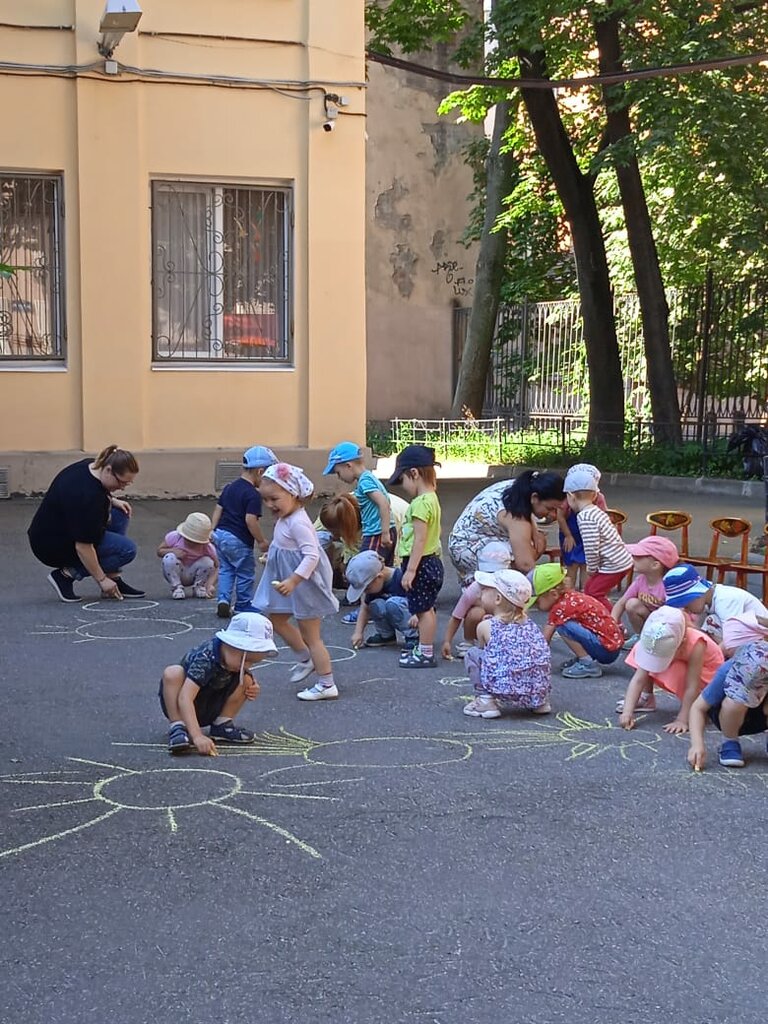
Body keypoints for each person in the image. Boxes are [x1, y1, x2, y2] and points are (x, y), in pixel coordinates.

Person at [252, 462, 340, 700]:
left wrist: (293, 580)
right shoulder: (286, 519)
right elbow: (284, 547)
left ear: (293, 494)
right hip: (290, 583)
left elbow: (311, 555)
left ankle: (326, 683)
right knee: (277, 620)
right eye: (266, 500)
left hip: (304, 586)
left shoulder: (298, 522)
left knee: (312, 637)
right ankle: (305, 658)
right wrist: (271, 557)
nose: (269, 505)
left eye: (274, 499)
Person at [28, 444, 144, 603]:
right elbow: (83, 547)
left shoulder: (92, 466)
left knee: (119, 514)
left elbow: (99, 495)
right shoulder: (88, 498)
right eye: (121, 482)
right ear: (109, 470)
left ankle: (114, 579)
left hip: (56, 528)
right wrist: (101, 580)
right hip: (51, 545)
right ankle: (65, 576)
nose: (122, 488)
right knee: (126, 550)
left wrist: (113, 500)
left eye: (127, 484)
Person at [159, 611, 277, 755]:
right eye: (245, 660)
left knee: (246, 678)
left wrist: (253, 686)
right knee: (173, 673)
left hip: (212, 701)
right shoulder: (205, 658)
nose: (247, 665)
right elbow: (185, 697)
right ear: (231, 644)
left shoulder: (233, 659)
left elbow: (244, 673)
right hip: (184, 705)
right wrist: (197, 736)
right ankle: (178, 726)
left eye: (253, 662)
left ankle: (221, 724)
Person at [619, 605, 724, 733]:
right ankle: (646, 698)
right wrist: (627, 712)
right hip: (687, 667)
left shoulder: (697, 643)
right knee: (639, 651)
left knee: (677, 671)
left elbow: (692, 685)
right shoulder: (656, 639)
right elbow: (638, 679)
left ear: (681, 643)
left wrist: (682, 720)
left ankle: (700, 709)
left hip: (709, 681)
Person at [323, 441, 396, 624]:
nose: (338, 477)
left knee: (365, 570)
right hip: (379, 531)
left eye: (338, 472)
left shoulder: (365, 482)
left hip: (376, 533)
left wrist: (385, 532)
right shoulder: (368, 479)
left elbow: (383, 503)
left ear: (348, 465)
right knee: (379, 572)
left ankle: (366, 610)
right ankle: (380, 608)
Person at [447, 470, 565, 584]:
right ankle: (490, 585)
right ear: (534, 498)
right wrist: (549, 583)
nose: (554, 515)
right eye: (550, 509)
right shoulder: (516, 517)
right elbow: (525, 564)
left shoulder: (522, 487)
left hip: (465, 537)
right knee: (511, 552)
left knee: (536, 541)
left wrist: (536, 535)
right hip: (467, 547)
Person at [463, 569, 551, 719]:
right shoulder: (531, 625)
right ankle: (540, 702)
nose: (480, 594)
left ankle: (486, 701)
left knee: (472, 654)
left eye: (485, 590)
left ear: (497, 598)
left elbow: (488, 654)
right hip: (535, 689)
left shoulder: (485, 626)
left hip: (503, 687)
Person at [387, 444, 444, 668]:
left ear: (414, 473)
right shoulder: (432, 499)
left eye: (403, 480)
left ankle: (426, 652)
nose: (403, 487)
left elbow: (420, 539)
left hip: (422, 563)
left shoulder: (420, 503)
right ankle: (423, 648)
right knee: (424, 608)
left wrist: (410, 570)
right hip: (430, 561)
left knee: (423, 611)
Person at [688, 613, 768, 769]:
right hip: (731, 715)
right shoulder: (728, 670)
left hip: (760, 711)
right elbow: (697, 708)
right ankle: (729, 741)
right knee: (734, 702)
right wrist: (696, 745)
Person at [211, 445, 277, 619]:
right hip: (239, 539)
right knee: (245, 572)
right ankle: (243, 604)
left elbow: (219, 508)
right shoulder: (253, 495)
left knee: (226, 569)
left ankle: (223, 600)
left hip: (221, 535)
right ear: (260, 472)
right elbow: (250, 520)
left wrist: (212, 530)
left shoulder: (230, 487)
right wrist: (262, 541)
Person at [527, 563, 624, 678]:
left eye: (538, 602)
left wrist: (531, 662)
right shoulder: (571, 597)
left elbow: (544, 640)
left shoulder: (560, 608)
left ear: (553, 594)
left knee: (563, 626)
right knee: (568, 624)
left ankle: (587, 663)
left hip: (606, 650)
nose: (537, 607)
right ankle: (584, 657)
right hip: (610, 645)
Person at [563, 464, 633, 610]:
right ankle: (597, 619)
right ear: (595, 495)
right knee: (590, 589)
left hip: (613, 564)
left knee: (594, 592)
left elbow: (591, 546)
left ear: (570, 496)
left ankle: (614, 623)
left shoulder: (585, 517)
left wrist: (592, 568)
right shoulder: (596, 511)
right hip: (619, 561)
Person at [662, 562, 768, 644]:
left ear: (697, 594)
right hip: (742, 635)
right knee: (710, 623)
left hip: (760, 638)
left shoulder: (725, 600)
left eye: (686, 604)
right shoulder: (708, 600)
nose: (686, 609)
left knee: (710, 623)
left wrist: (713, 660)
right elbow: (700, 633)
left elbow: (730, 640)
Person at [441, 540, 513, 659]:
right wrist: (447, 641)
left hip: (503, 620)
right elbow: (457, 616)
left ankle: (505, 643)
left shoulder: (509, 586)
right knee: (475, 613)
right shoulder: (475, 588)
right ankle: (470, 642)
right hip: (483, 620)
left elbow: (520, 612)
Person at [611, 535, 679, 648]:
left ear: (655, 565)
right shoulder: (641, 580)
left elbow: (678, 614)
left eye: (638, 556)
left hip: (666, 624)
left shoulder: (668, 584)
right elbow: (621, 603)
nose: (633, 558)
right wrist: (612, 624)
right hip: (651, 618)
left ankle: (661, 642)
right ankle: (641, 636)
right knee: (631, 603)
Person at [346, 550, 419, 651]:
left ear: (379, 577)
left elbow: (423, 600)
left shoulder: (401, 578)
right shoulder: (374, 587)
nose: (366, 592)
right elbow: (365, 608)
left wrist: (418, 615)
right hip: (398, 609)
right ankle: (387, 635)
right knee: (375, 604)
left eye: (367, 588)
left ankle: (414, 637)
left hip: (416, 619)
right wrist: (358, 633)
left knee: (393, 603)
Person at [556, 463, 608, 589]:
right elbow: (560, 516)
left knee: (587, 565)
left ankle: (586, 592)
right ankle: (569, 593)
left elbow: (603, 515)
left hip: (589, 537)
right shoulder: (567, 498)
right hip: (571, 535)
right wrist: (568, 535)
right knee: (571, 565)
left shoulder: (599, 498)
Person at [157, 511, 219, 600]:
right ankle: (176, 586)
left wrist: (210, 584)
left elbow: (218, 566)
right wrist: (173, 551)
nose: (193, 544)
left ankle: (199, 586)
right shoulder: (175, 537)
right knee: (169, 558)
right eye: (189, 540)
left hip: (195, 572)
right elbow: (159, 551)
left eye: (196, 543)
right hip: (178, 570)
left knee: (208, 561)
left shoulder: (207, 547)